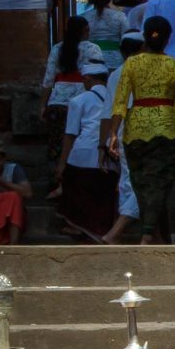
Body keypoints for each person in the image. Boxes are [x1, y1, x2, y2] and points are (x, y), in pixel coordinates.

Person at [110, 16, 175, 244]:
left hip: (135, 131)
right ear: (168, 39)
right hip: (167, 130)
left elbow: (119, 102)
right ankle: (148, 235)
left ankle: (152, 234)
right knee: (159, 184)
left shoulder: (132, 64)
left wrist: (113, 133)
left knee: (141, 184)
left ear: (145, 36)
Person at [56, 74, 118, 243]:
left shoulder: (79, 100)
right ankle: (101, 230)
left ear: (88, 80)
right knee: (103, 196)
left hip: (81, 154)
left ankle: (77, 225)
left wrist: (62, 163)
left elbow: (70, 135)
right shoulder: (116, 98)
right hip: (109, 153)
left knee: (76, 189)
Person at [43, 15, 95, 150]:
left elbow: (48, 80)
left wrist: (43, 105)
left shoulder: (56, 49)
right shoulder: (93, 49)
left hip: (57, 104)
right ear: (85, 29)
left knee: (56, 146)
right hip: (83, 103)